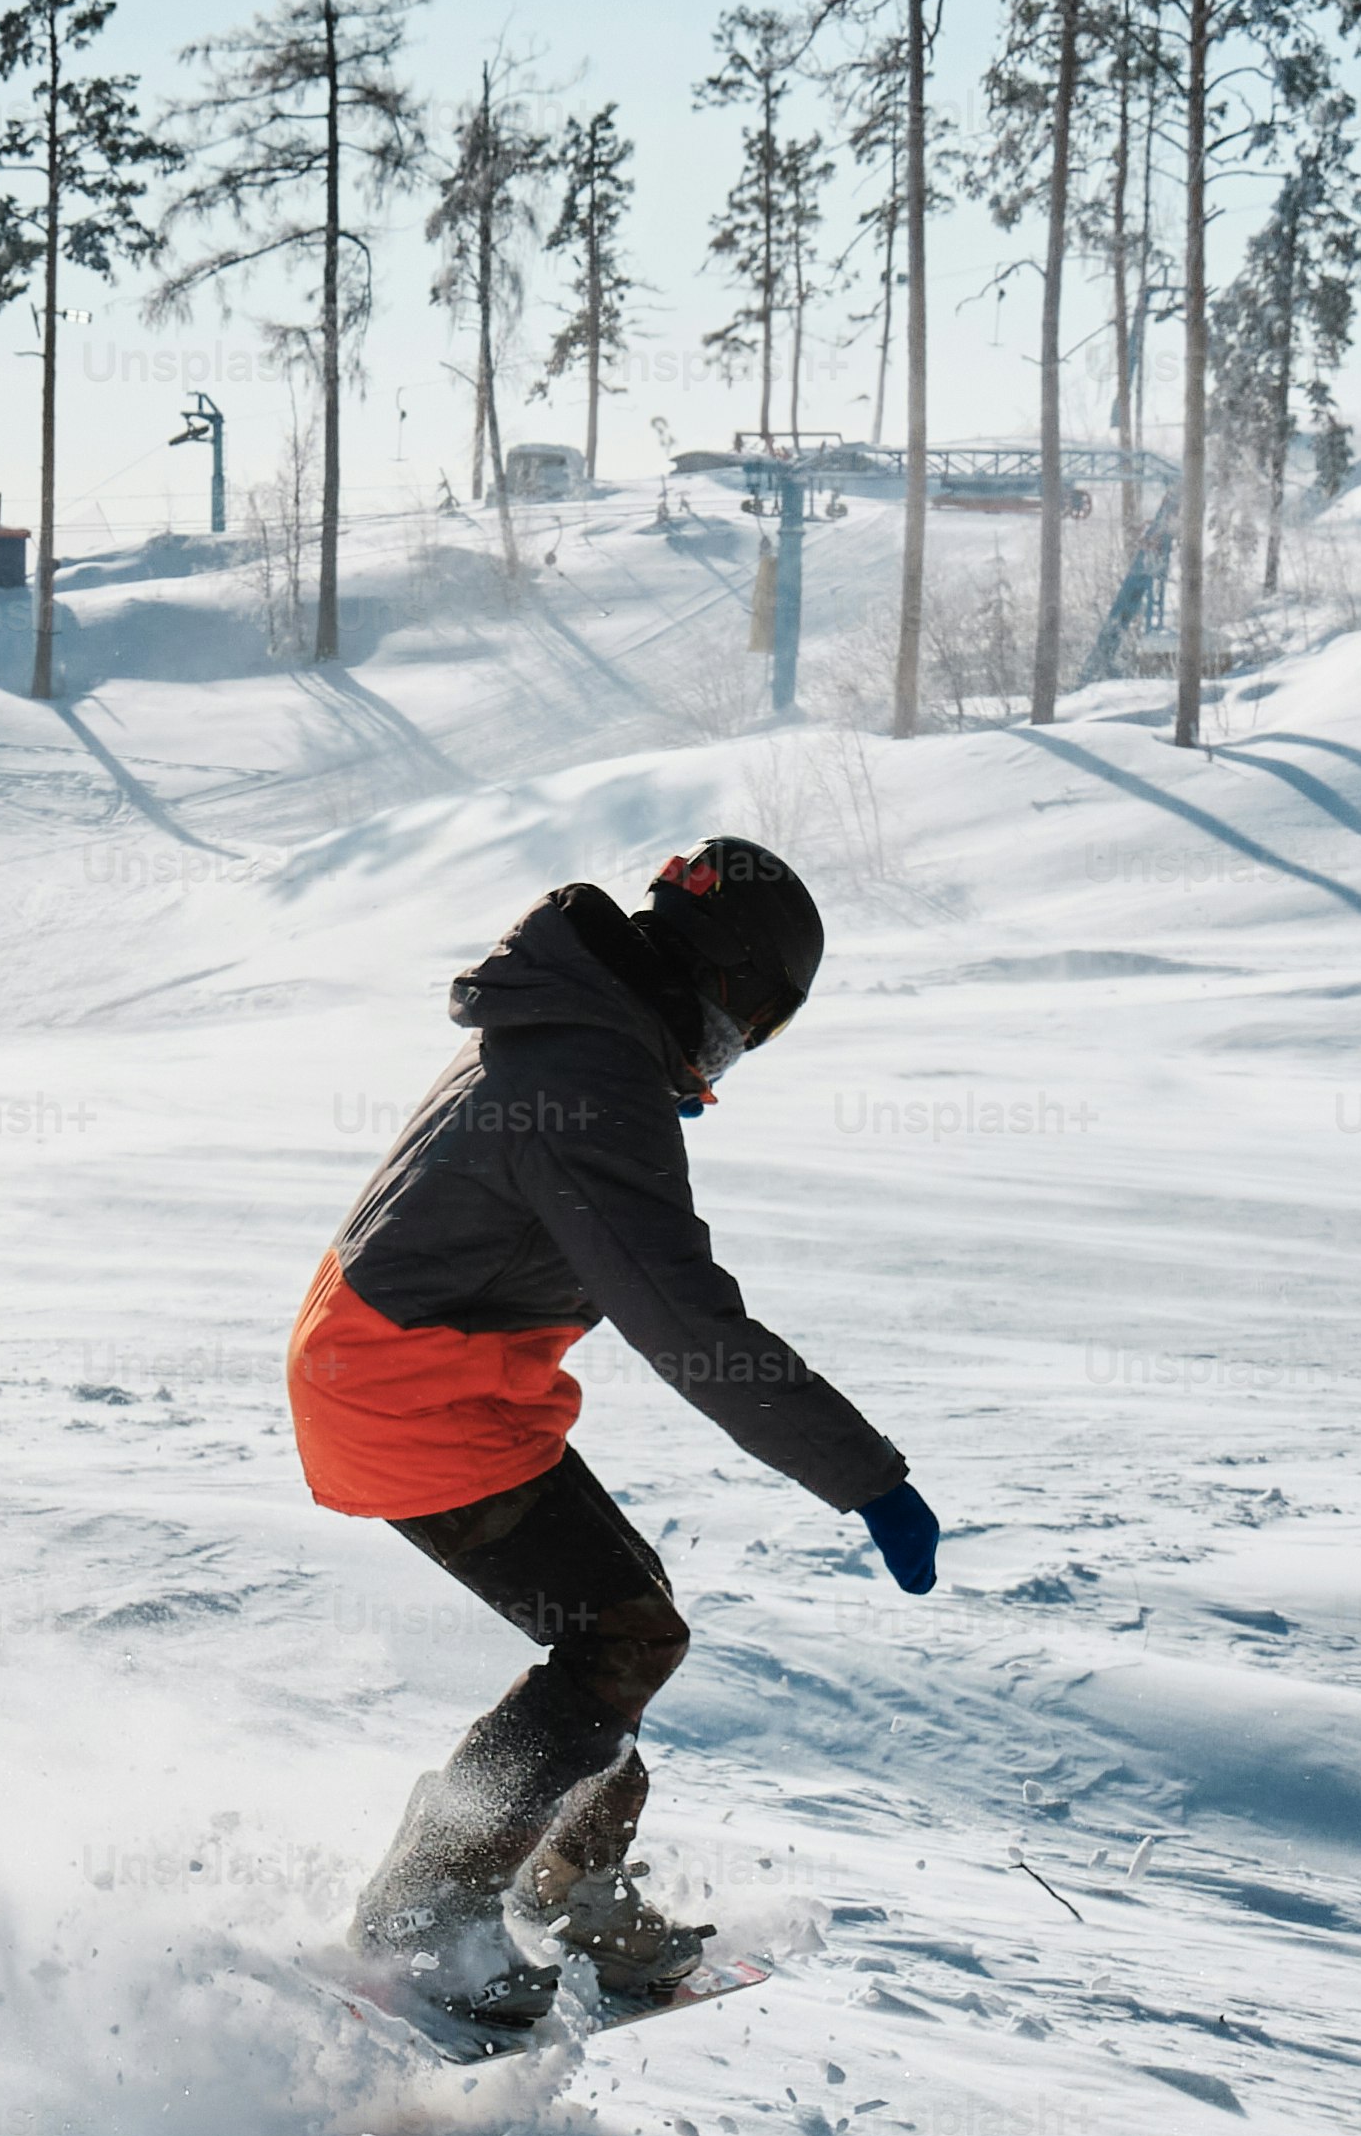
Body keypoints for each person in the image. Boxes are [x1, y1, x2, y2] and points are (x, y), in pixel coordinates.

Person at [286, 838, 941, 2024]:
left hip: (422, 1368)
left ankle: (569, 1880)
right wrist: (865, 1478)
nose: (743, 1048)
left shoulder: (572, 1025)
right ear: (724, 980)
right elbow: (683, 1318)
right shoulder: (592, 1075)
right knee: (621, 1636)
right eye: (759, 1017)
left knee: (624, 1615)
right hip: (408, 1382)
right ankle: (425, 1912)